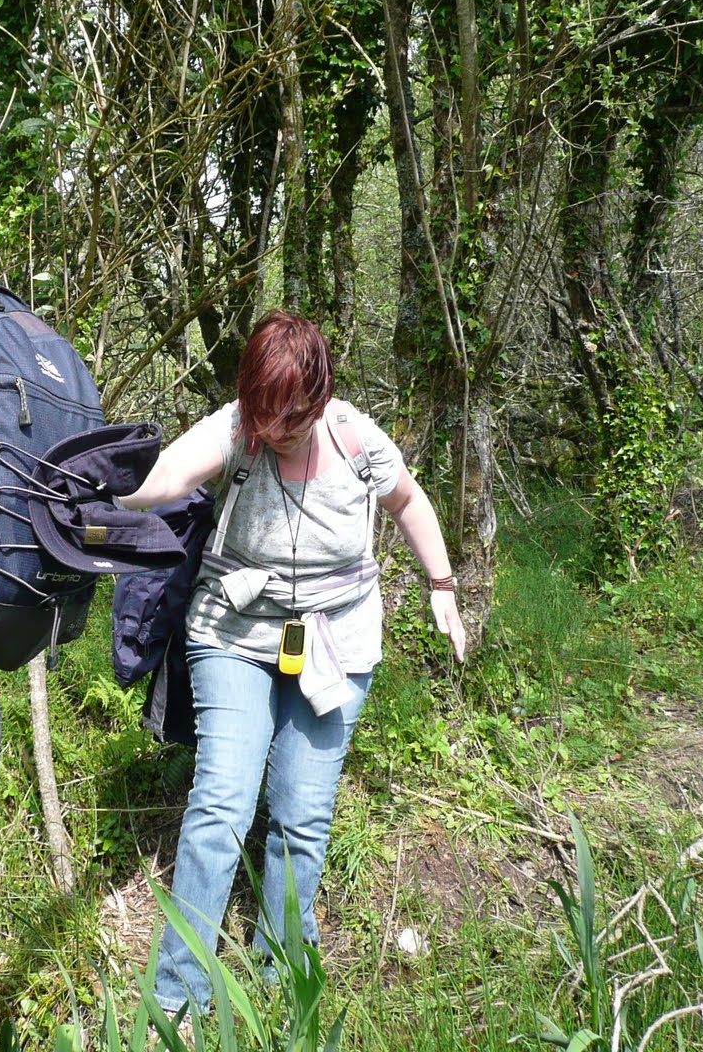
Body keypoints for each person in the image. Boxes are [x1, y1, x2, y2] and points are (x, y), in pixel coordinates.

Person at [117, 308, 466, 1014]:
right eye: (262, 413)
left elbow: (409, 502)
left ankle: (286, 977)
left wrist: (442, 586)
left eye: (289, 415)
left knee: (302, 817)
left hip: (335, 639)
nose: (273, 430)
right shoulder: (236, 427)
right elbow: (165, 477)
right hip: (234, 631)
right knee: (222, 803)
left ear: (319, 395)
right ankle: (179, 994)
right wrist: (105, 492)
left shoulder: (355, 437)